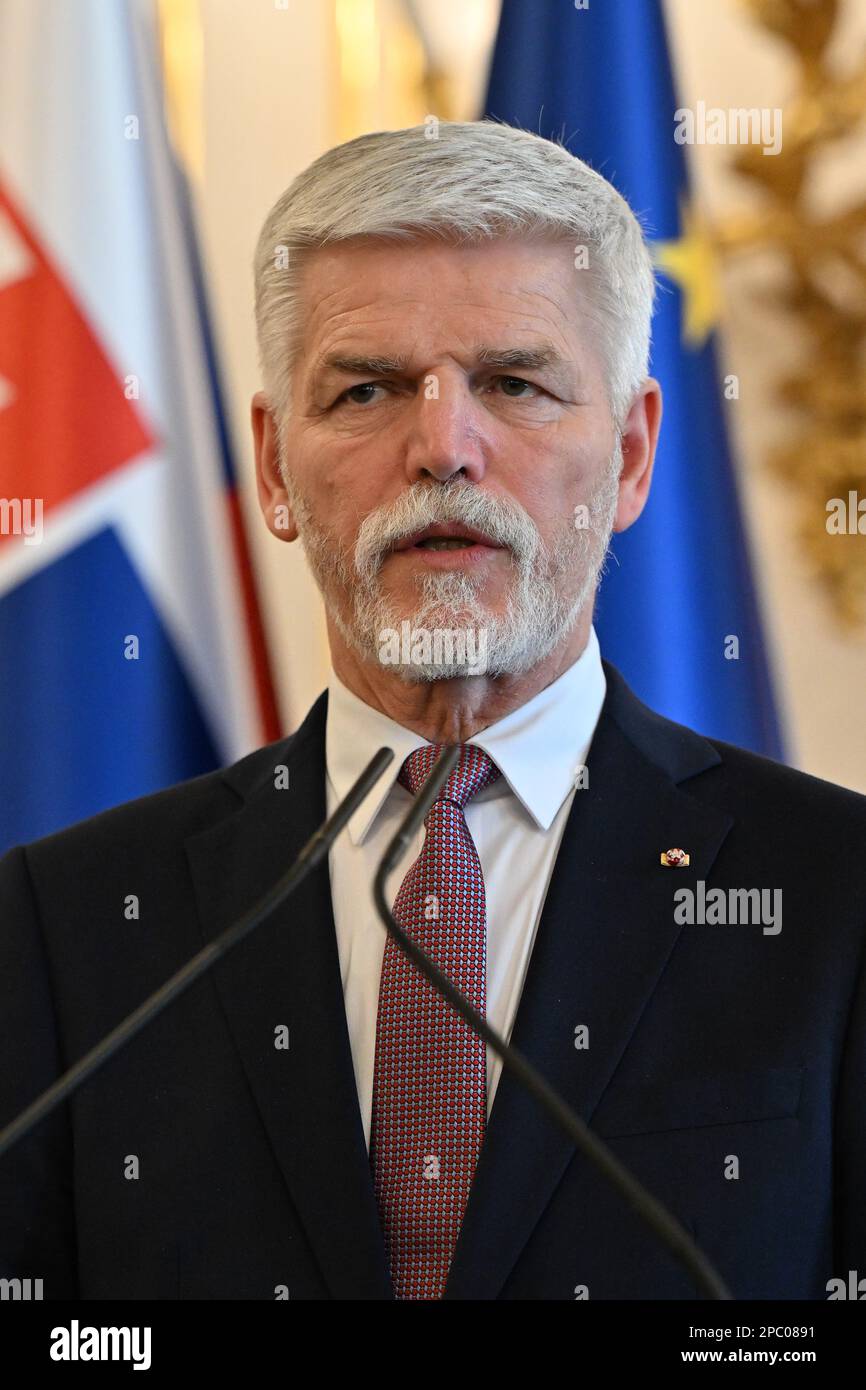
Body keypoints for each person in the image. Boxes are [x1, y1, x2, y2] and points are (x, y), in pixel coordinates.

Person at [1, 121, 864, 1301]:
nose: (441, 448)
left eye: (513, 383)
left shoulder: (836, 895)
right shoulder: (62, 924)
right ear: (271, 468)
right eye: (365, 390)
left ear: (627, 454)